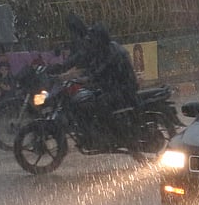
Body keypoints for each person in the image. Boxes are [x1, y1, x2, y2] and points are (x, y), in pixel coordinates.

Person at [48, 14, 139, 144]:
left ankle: (111, 136)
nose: (91, 42)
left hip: (123, 89)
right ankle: (90, 131)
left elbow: (98, 72)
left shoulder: (112, 52)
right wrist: (58, 68)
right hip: (109, 87)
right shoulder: (100, 49)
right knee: (83, 98)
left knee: (97, 104)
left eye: (93, 39)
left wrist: (83, 79)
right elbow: (80, 58)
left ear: (100, 39)